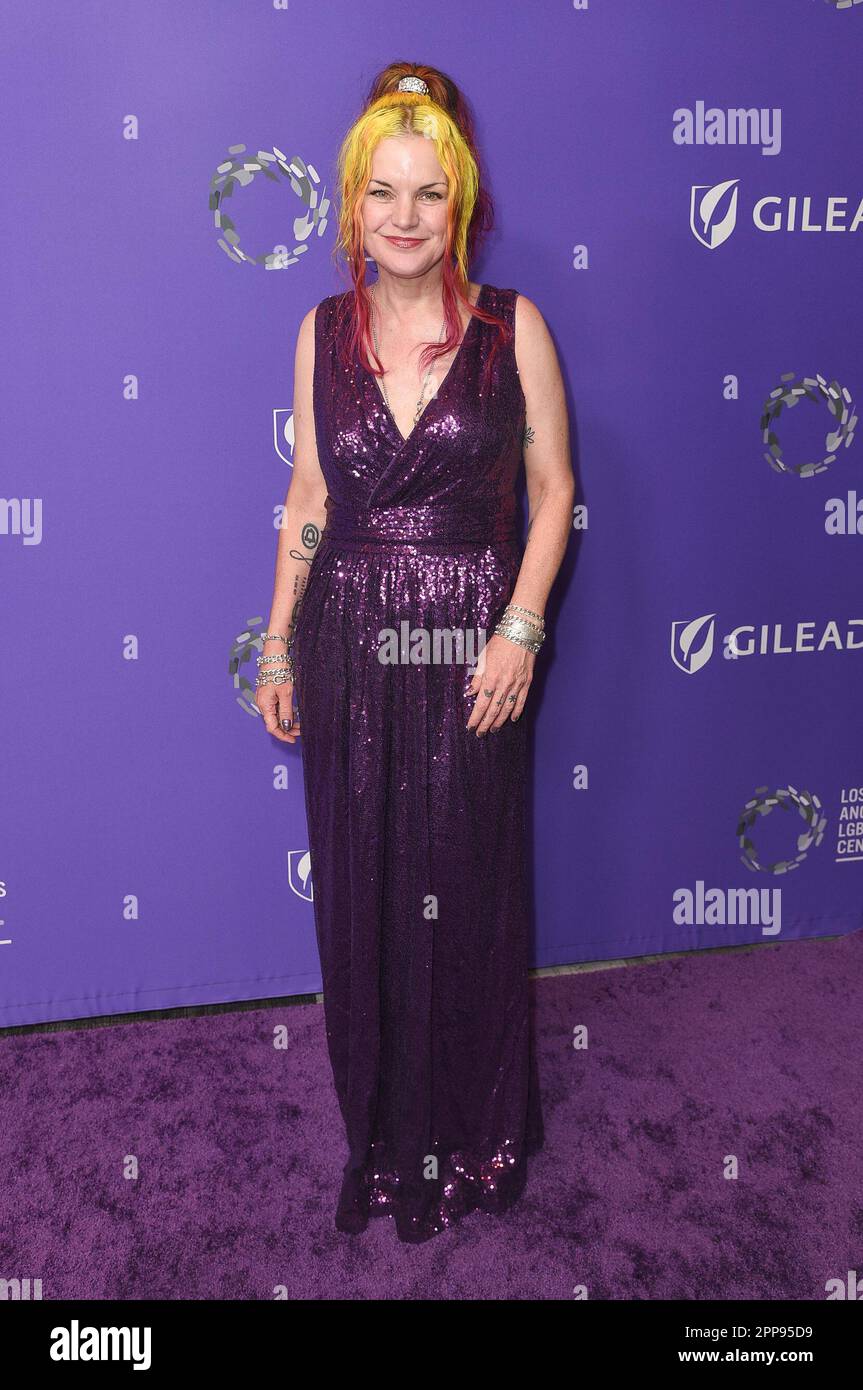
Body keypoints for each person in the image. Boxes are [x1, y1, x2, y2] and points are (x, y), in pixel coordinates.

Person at [256, 63, 574, 1243]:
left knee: (469, 889)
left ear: (460, 207)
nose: (402, 216)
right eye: (381, 193)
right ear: (351, 207)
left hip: (466, 645)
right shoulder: (319, 332)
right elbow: (305, 494)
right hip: (346, 640)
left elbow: (551, 494)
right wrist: (278, 644)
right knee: (363, 892)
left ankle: (480, 1132)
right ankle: (383, 1140)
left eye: (426, 195)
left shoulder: (512, 327)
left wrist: (519, 628)